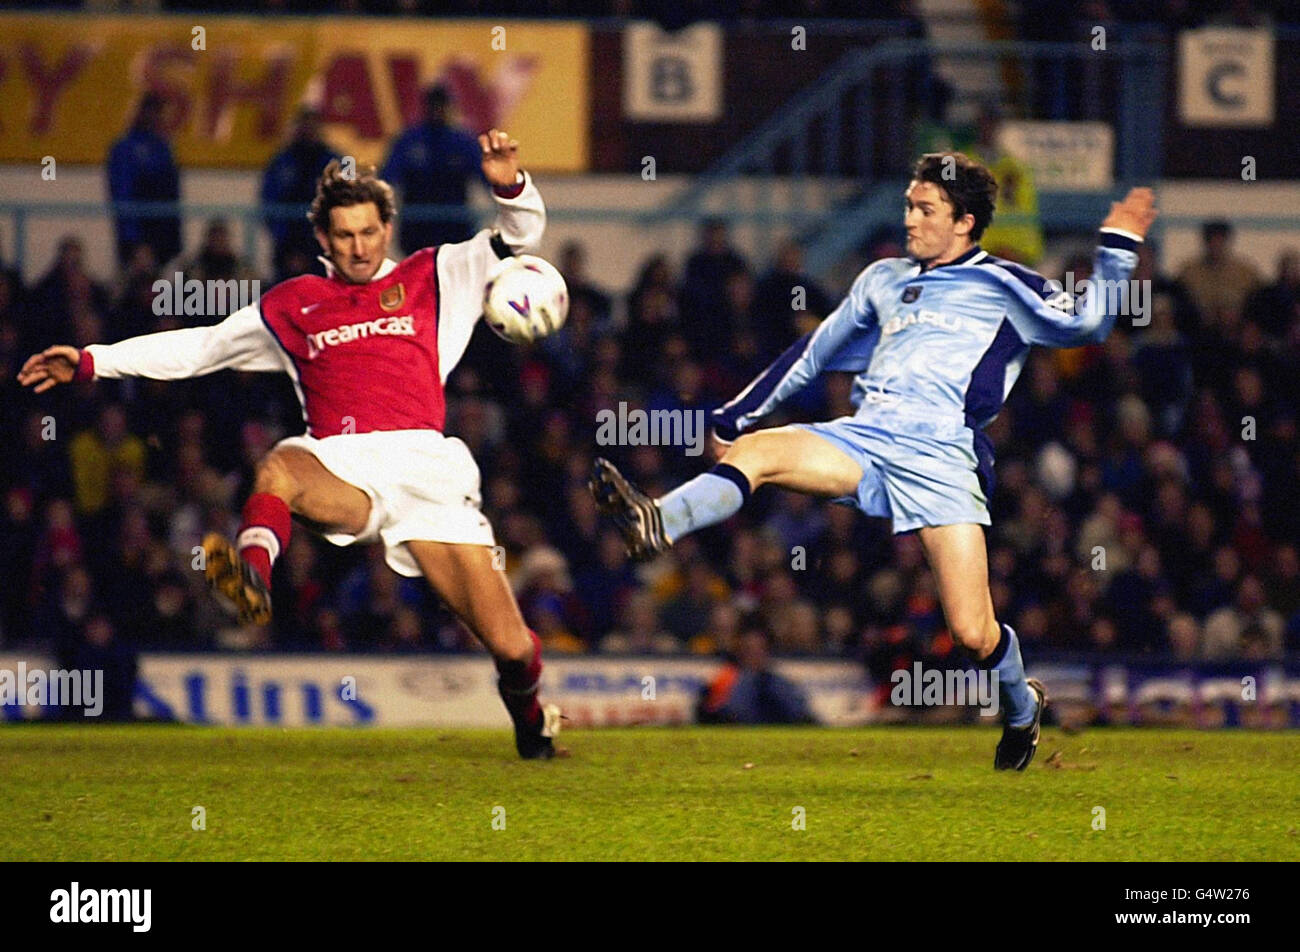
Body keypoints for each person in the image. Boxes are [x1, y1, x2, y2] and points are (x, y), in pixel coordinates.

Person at [592, 151, 1158, 771]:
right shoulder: (883, 278)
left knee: (972, 632)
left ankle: (1021, 707)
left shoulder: (1006, 284)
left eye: (925, 209)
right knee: (759, 452)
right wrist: (735, 416)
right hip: (866, 437)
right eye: (908, 206)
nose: (910, 220)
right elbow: (813, 354)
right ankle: (659, 522)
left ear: (965, 221)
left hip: (945, 458)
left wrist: (1117, 247)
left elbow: (1091, 324)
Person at [19, 131, 562, 760]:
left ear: (388, 226)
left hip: (428, 471)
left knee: (513, 646)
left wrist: (508, 184)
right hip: (341, 463)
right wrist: (91, 361)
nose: (359, 248)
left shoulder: (438, 273)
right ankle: (252, 577)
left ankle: (530, 725)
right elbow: (199, 348)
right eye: (344, 236)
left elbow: (522, 238)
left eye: (369, 231)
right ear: (323, 240)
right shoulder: (293, 305)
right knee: (279, 464)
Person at [381, 85, 483, 255]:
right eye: (433, 105)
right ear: (425, 107)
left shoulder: (463, 142)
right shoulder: (409, 141)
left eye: (441, 105)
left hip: (455, 230)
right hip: (416, 231)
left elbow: (488, 180)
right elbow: (386, 179)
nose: (437, 110)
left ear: (449, 107)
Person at [261, 106, 341, 283]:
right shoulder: (281, 161)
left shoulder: (337, 160)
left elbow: (349, 198)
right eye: (304, 126)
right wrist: (283, 239)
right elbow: (268, 201)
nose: (308, 131)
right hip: (289, 240)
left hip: (324, 243)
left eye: (313, 127)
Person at [107, 92, 182, 269]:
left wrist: (175, 240)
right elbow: (122, 194)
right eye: (151, 111)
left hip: (165, 236)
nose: (155, 117)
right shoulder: (125, 148)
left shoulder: (164, 147)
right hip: (139, 237)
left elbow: (173, 195)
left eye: (159, 112)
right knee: (138, 289)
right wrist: (134, 240)